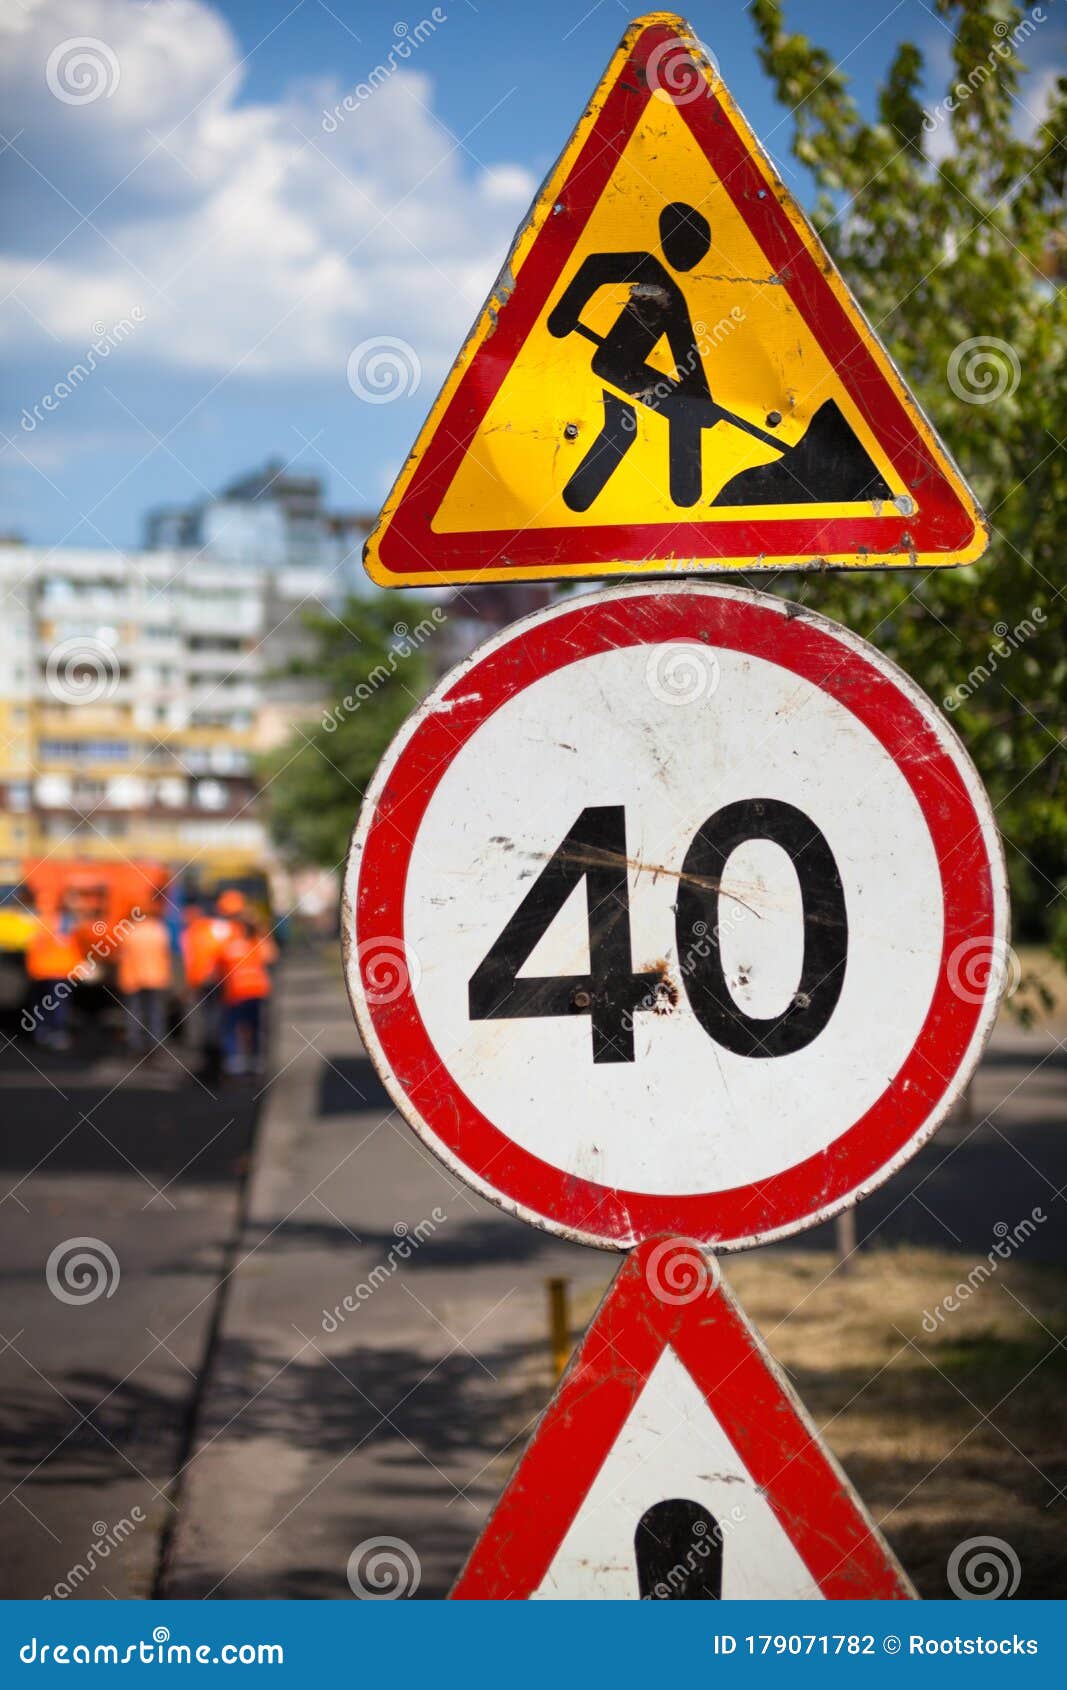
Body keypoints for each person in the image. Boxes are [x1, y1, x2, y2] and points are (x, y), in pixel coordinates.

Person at [218, 916, 277, 1076]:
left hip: (236, 993)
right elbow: (271, 956)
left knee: (233, 1029)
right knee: (255, 1028)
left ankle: (235, 1062)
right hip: (255, 992)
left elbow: (217, 967)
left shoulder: (227, 945)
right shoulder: (256, 943)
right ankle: (254, 1061)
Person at [116, 904, 174, 1053]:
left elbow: (122, 955)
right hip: (156, 977)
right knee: (155, 1012)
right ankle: (156, 1043)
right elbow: (166, 952)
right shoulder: (158, 930)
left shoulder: (129, 931)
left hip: (133, 978)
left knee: (134, 1013)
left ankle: (134, 1044)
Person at [24, 904, 82, 1050]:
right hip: (59, 970)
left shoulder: (38, 922)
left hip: (40, 971)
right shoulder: (64, 923)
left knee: (41, 1003)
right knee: (58, 1004)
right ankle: (59, 1034)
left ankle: (42, 1033)